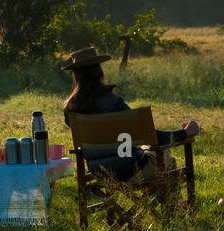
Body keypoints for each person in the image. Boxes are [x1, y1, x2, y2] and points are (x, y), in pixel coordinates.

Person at [60, 46, 199, 182]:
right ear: (99, 71)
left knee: (146, 149)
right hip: (132, 171)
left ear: (75, 75)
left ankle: (156, 200)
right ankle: (167, 202)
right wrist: (184, 133)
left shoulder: (70, 108)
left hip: (101, 174)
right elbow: (150, 136)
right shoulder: (114, 102)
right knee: (164, 154)